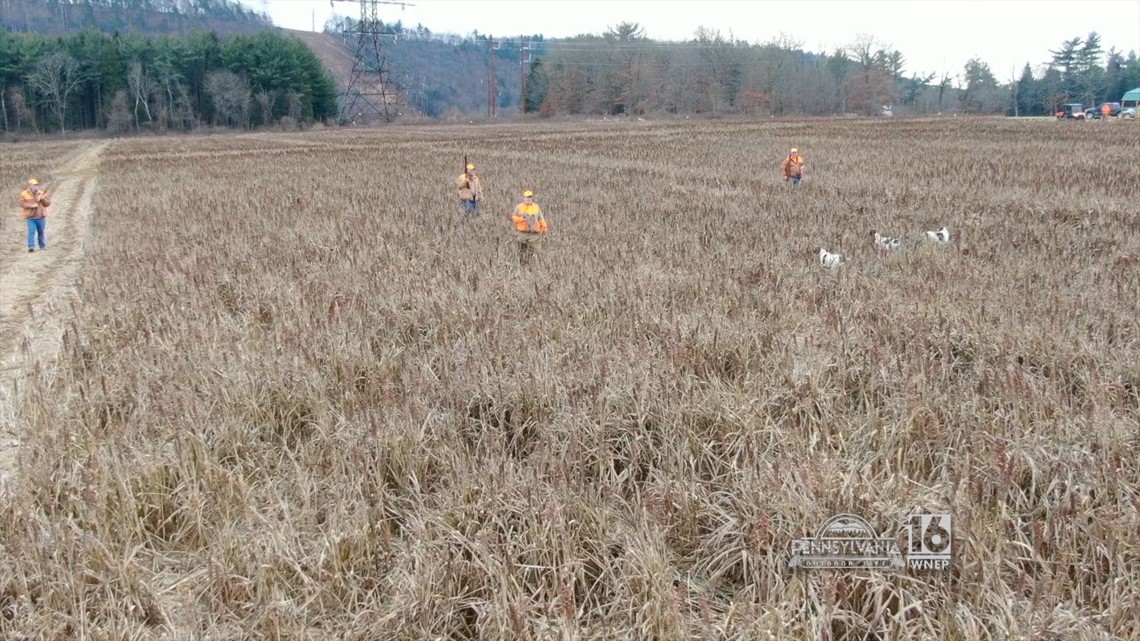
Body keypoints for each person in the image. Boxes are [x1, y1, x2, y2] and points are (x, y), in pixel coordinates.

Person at [508, 189, 547, 264]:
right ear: (524, 198)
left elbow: (541, 219)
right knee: (521, 251)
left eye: (530, 198)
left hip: (534, 234)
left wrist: (544, 227)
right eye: (527, 198)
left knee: (535, 251)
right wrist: (521, 219)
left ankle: (535, 265)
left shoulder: (536, 207)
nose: (529, 199)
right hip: (522, 234)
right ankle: (522, 265)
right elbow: (513, 218)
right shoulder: (519, 207)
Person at [18, 178, 50, 252]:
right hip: (30, 217)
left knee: (41, 232)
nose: (37, 187)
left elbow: (47, 204)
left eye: (37, 185)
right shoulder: (24, 194)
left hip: (41, 216)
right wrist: (32, 205)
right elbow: (21, 204)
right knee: (31, 231)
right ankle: (31, 247)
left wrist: (42, 199)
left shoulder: (41, 193)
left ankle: (42, 246)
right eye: (35, 185)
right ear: (30, 186)